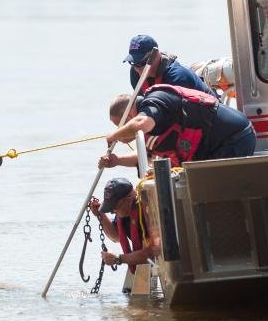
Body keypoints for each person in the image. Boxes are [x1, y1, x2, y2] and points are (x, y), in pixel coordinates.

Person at [99, 84, 257, 169]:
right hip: (215, 147)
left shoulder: (155, 101)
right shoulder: (150, 124)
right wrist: (117, 160)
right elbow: (146, 156)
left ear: (129, 117)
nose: (121, 135)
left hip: (236, 138)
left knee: (206, 188)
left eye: (120, 126)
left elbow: (140, 124)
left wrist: (113, 136)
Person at [89, 178, 159, 270]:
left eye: (114, 208)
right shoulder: (126, 210)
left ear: (128, 200)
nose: (112, 212)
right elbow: (116, 236)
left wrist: (118, 259)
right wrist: (101, 215)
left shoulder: (147, 210)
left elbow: (154, 252)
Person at [124, 34, 217, 97]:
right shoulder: (135, 73)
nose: (137, 68)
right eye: (133, 63)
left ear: (156, 55)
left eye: (141, 63)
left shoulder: (177, 77)